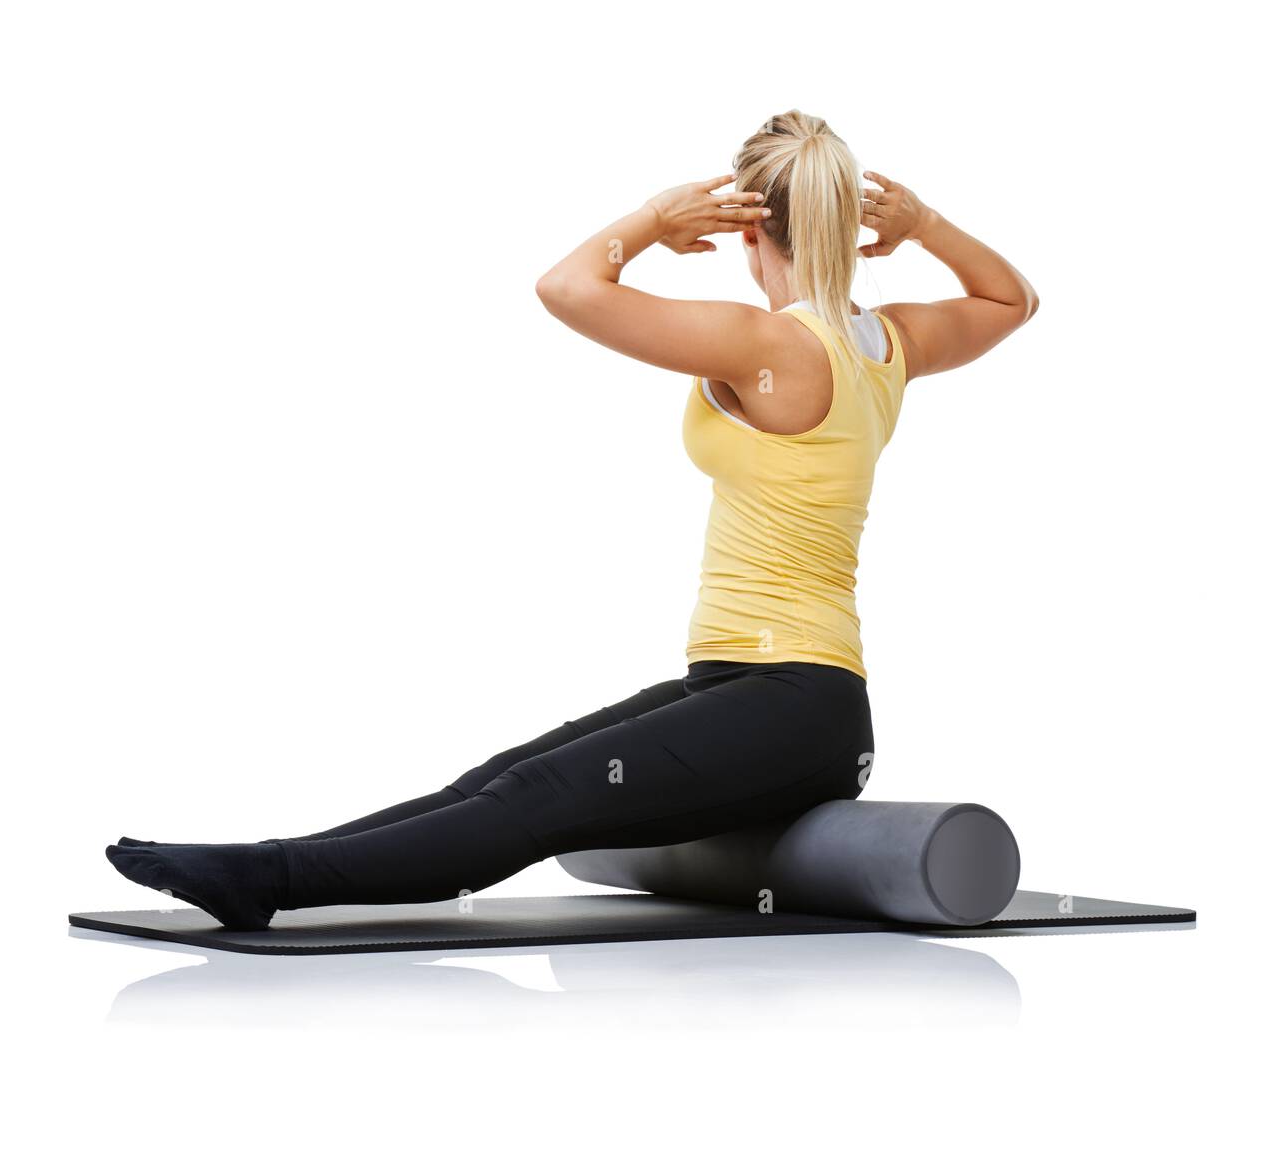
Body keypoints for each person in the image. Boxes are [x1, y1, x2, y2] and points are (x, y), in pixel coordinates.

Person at [106, 110, 1038, 929]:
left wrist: (653, 220)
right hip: (767, 696)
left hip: (789, 704)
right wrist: (926, 227)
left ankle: (272, 878)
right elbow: (1012, 299)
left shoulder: (770, 344)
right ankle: (267, 866)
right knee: (501, 778)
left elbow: (568, 288)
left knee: (537, 798)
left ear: (753, 230)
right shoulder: (891, 343)